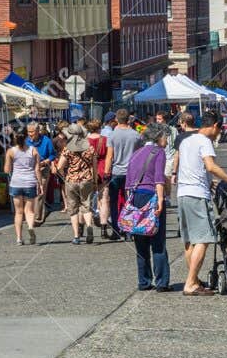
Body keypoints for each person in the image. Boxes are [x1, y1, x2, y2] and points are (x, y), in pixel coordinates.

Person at [171, 110, 227, 295]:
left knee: (190, 241)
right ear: (215, 126)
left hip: (182, 193)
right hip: (197, 195)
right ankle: (190, 284)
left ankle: (194, 279)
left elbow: (189, 166)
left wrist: (208, 181)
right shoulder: (205, 141)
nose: (218, 134)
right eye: (219, 130)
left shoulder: (186, 140)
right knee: (204, 238)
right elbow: (211, 166)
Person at [123, 124, 172, 290]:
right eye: (166, 136)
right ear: (159, 137)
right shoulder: (159, 152)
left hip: (135, 196)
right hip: (151, 195)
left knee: (140, 240)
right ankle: (161, 282)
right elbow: (159, 178)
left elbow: (128, 182)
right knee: (157, 240)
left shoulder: (135, 154)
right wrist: (160, 199)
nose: (167, 140)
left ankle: (143, 281)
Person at [104, 109, 141, 243]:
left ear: (116, 120)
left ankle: (116, 229)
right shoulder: (136, 135)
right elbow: (138, 155)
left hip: (116, 173)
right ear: (128, 119)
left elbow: (109, 156)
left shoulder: (112, 135)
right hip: (131, 173)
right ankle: (129, 231)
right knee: (129, 202)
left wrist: (106, 173)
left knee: (113, 203)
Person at [58, 124, 99, 245]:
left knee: (73, 209)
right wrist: (95, 181)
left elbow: (60, 166)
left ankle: (76, 236)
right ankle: (89, 225)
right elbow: (94, 167)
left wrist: (64, 175)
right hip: (86, 180)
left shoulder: (67, 149)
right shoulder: (90, 148)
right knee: (86, 206)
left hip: (71, 180)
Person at [6, 132, 42, 245]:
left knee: (18, 212)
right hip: (30, 182)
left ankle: (19, 238)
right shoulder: (33, 150)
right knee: (29, 211)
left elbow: (7, 170)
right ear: (26, 137)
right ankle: (30, 226)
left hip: (16, 183)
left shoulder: (11, 151)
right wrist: (40, 184)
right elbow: (37, 169)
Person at [27, 122, 57, 226]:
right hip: (29, 170)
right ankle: (31, 214)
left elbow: (53, 155)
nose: (30, 134)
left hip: (43, 169)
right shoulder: (26, 141)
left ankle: (37, 219)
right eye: (28, 132)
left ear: (37, 131)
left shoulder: (46, 141)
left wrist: (45, 162)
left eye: (32, 132)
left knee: (40, 193)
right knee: (30, 193)